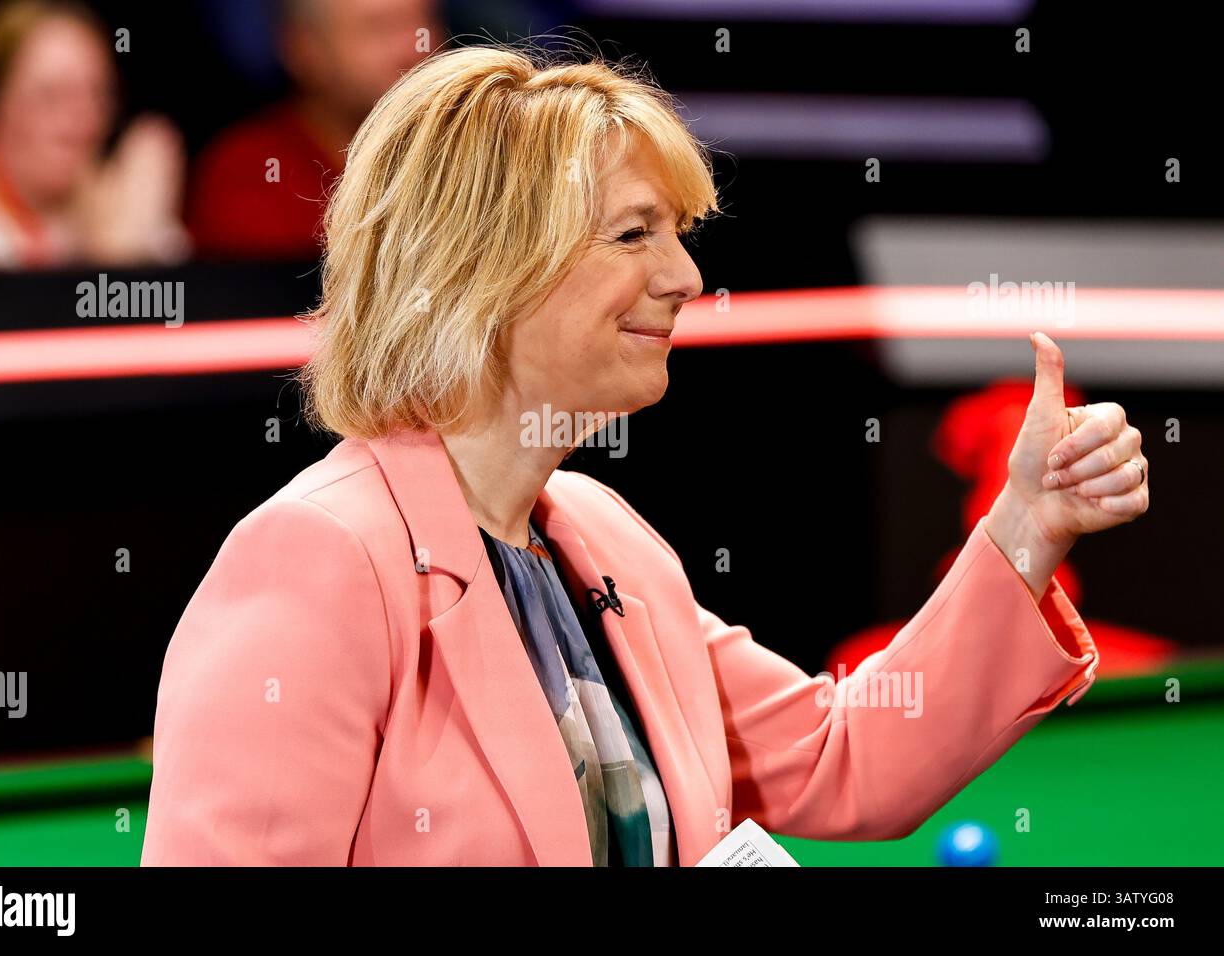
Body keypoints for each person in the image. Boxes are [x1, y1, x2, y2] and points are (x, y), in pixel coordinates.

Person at [140, 45, 1149, 866]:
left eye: (674, 232)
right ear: (485, 270)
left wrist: (1025, 527)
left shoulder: (604, 535)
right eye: (633, 234)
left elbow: (848, 758)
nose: (683, 274)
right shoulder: (316, 559)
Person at [0, 0, 188, 272]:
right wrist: (114, 255)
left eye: (99, 96)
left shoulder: (125, 207)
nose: (85, 121)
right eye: (53, 95)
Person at [185, 0, 443, 260]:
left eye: (422, 23)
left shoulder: (461, 147)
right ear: (304, 48)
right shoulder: (248, 174)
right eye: (378, 29)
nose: (412, 47)